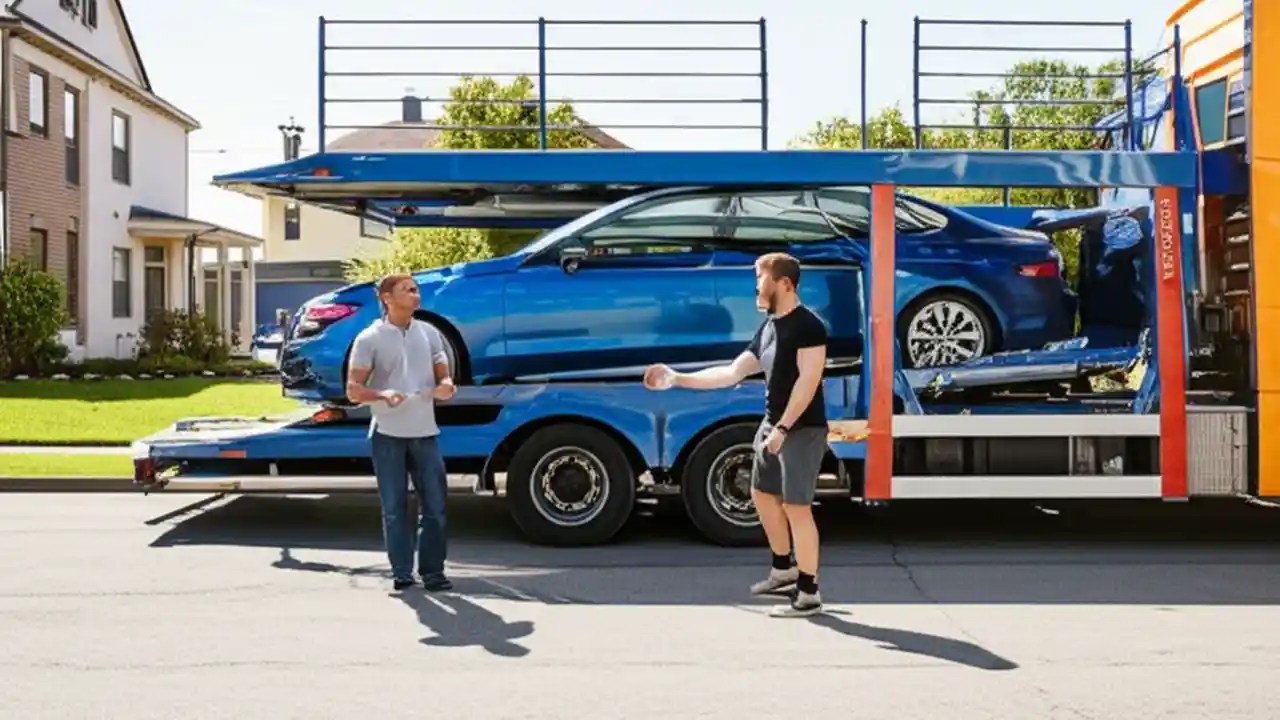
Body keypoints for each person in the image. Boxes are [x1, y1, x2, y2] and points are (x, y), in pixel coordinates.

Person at [644, 252, 829, 617]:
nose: (755, 288)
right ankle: (783, 570)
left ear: (784, 284)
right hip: (774, 424)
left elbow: (809, 382)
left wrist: (783, 428)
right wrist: (677, 378)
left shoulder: (808, 326)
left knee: (796, 507)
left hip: (801, 429)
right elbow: (731, 373)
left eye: (760, 279)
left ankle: (809, 593)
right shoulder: (770, 328)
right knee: (761, 494)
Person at [346, 273, 457, 592]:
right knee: (395, 508)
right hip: (388, 433)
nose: (415, 294)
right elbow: (353, 390)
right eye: (407, 290)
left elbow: (442, 370)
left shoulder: (429, 332)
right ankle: (402, 572)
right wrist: (383, 395)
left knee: (435, 507)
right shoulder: (370, 338)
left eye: (416, 289)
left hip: (425, 432)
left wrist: (446, 385)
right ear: (387, 298)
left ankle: (433, 572)